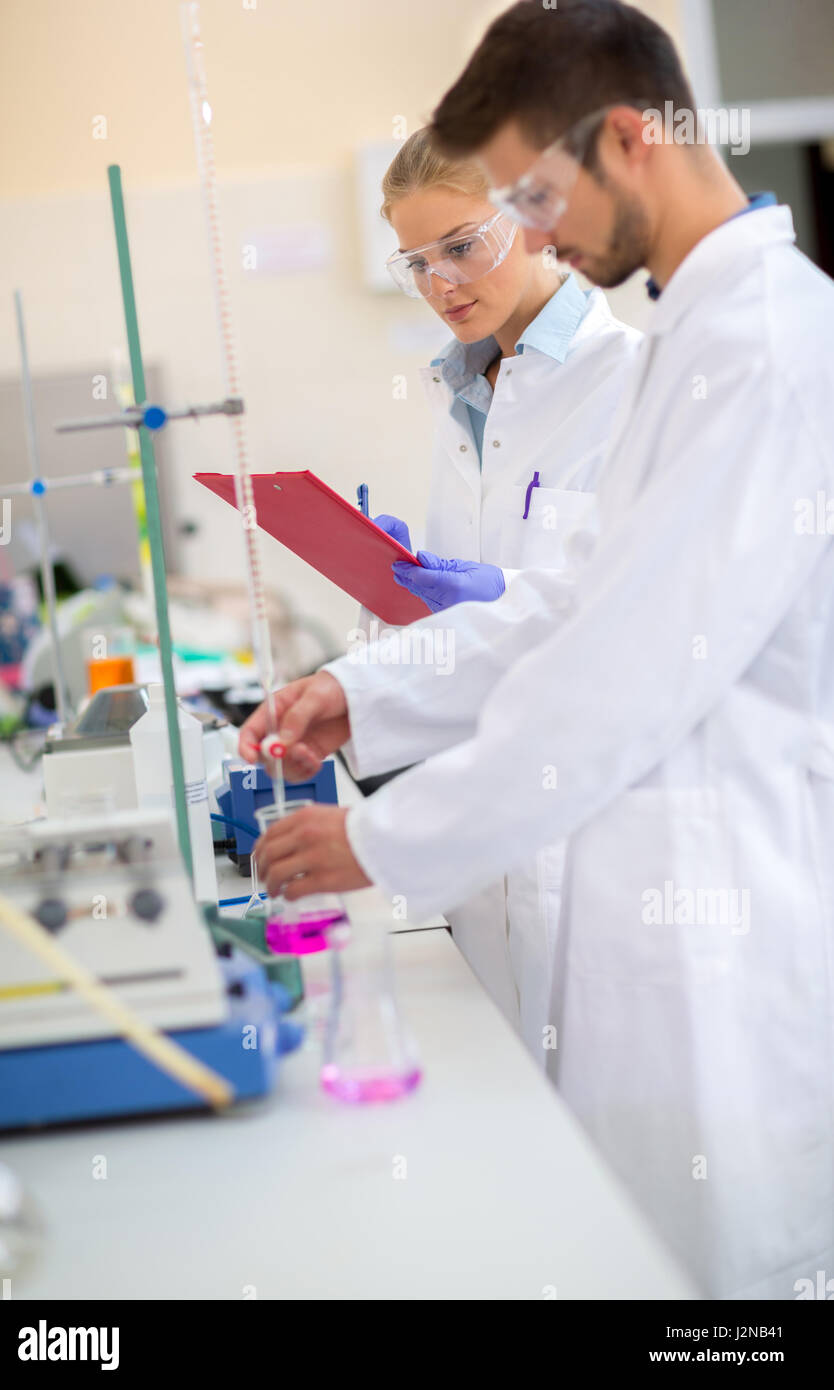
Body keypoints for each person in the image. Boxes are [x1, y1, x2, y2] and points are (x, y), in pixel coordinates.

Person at [240, 0, 834, 1299]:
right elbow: (566, 608)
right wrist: (366, 686)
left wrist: (386, 840)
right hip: (642, 910)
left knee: (718, 1286)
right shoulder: (700, 334)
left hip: (716, 937)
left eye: (531, 194)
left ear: (627, 137)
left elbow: (617, 671)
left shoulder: (765, 349)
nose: (535, 232)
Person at [364, 126, 640, 1050]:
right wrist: (390, 587)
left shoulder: (631, 381)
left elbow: (631, 619)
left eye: (461, 246)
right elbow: (464, 645)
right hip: (493, 840)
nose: (441, 282)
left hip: (601, 845)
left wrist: (495, 597)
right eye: (416, 261)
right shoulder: (465, 394)